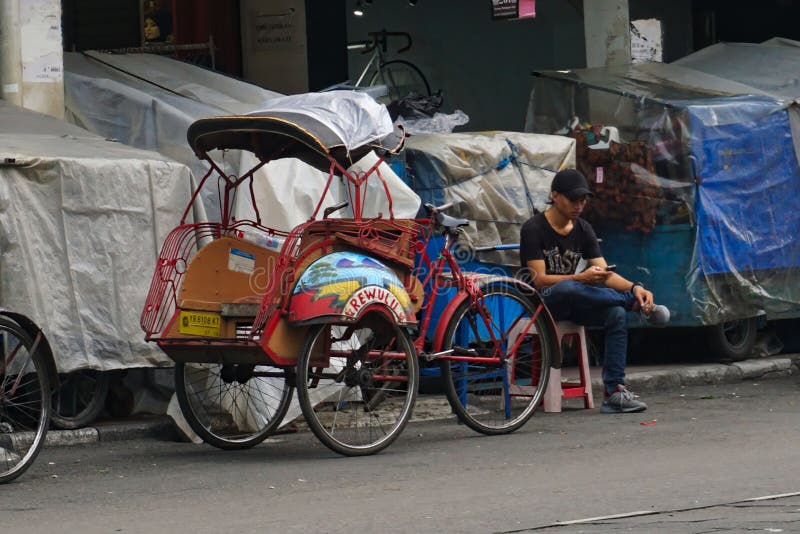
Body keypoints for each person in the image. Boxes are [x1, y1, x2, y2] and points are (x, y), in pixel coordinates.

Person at [520, 169, 669, 413]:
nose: (579, 205)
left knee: (615, 314)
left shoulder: (583, 228)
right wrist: (580, 277)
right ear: (555, 196)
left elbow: (603, 273)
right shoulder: (533, 228)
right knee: (569, 286)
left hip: (576, 300)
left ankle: (614, 392)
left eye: (583, 200)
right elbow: (539, 281)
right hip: (543, 304)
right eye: (573, 199)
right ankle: (628, 302)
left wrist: (636, 287)